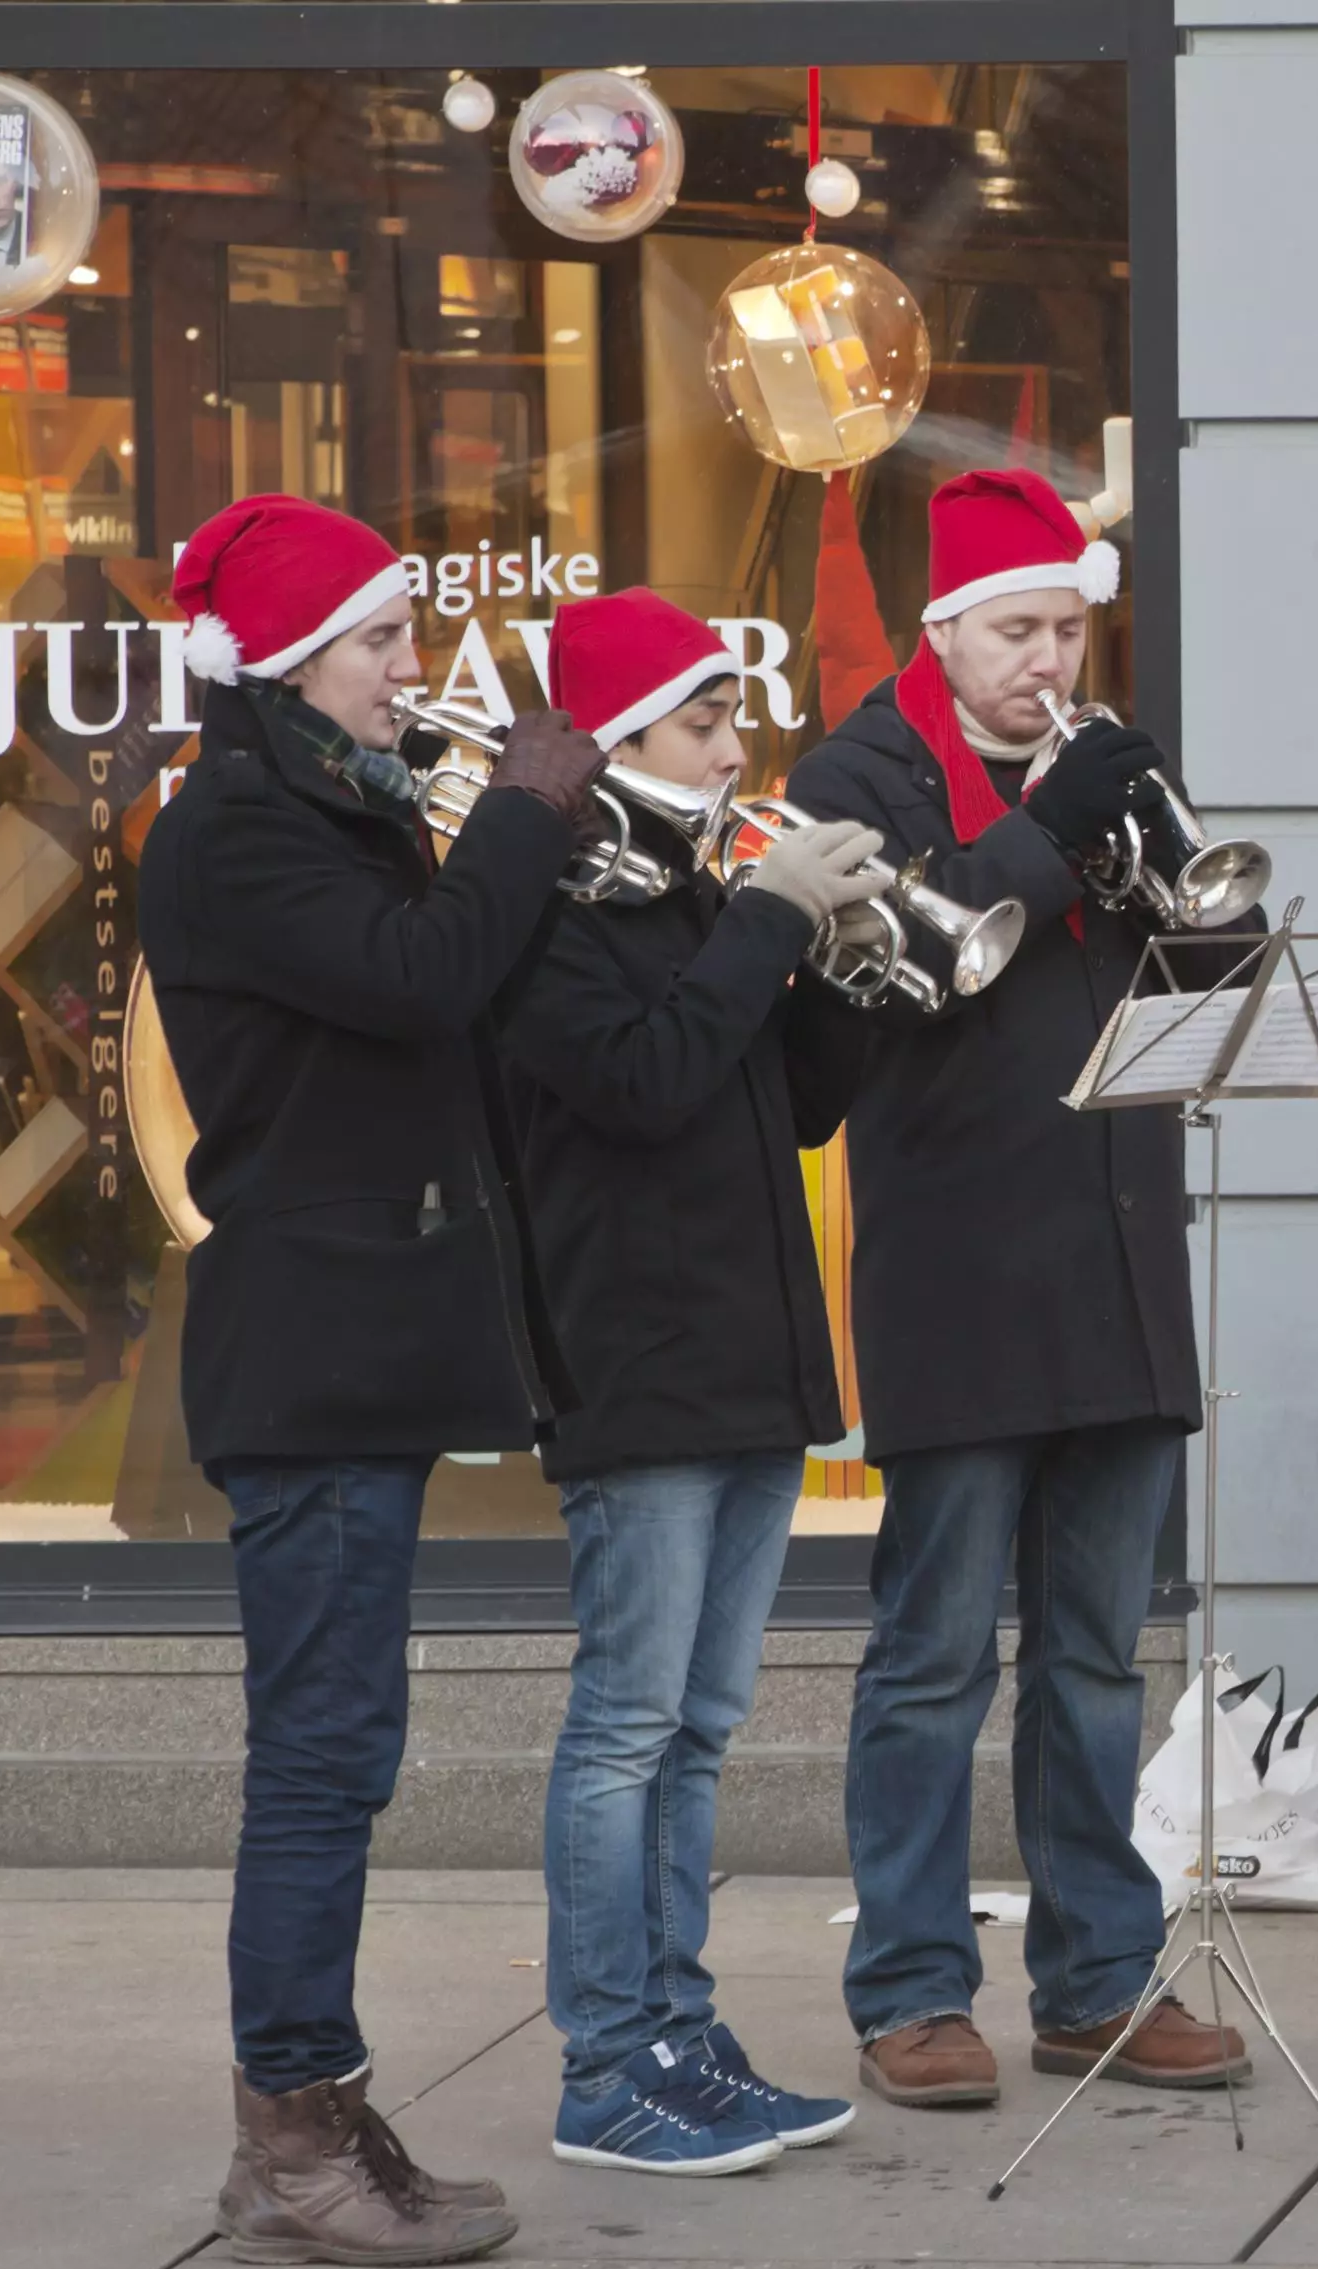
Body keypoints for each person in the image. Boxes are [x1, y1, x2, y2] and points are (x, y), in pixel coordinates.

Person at [138, 494, 607, 2263]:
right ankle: (289, 2127)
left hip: (364, 1348)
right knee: (321, 1753)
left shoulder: (329, 805)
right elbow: (423, 979)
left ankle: (320, 2106)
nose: (416, 666)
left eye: (407, 633)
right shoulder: (238, 832)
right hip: (313, 1352)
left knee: (349, 1743)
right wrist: (525, 819)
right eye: (380, 639)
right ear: (283, 661)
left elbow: (458, 998)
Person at [777, 468, 1262, 2109]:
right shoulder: (860, 769)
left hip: (1121, 1263)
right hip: (961, 1265)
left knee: (1099, 1653)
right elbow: (917, 975)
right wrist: (1058, 831)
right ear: (947, 627)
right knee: (932, 1650)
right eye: (1020, 627)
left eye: (1070, 624)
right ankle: (913, 1987)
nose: (1052, 657)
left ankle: (1100, 1979)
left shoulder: (1098, 768)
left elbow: (1209, 977)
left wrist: (1200, 901)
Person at [497, 591, 893, 2176]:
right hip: (638, 1365)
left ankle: (681, 2026)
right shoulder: (550, 910)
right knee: (627, 1723)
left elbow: (787, 1107)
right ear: (618, 741)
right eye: (705, 724)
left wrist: (851, 971)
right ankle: (607, 2059)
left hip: (747, 1360)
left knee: (702, 1725)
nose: (740, 751)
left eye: (736, 720)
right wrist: (769, 923)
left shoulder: (692, 893)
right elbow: (647, 1083)